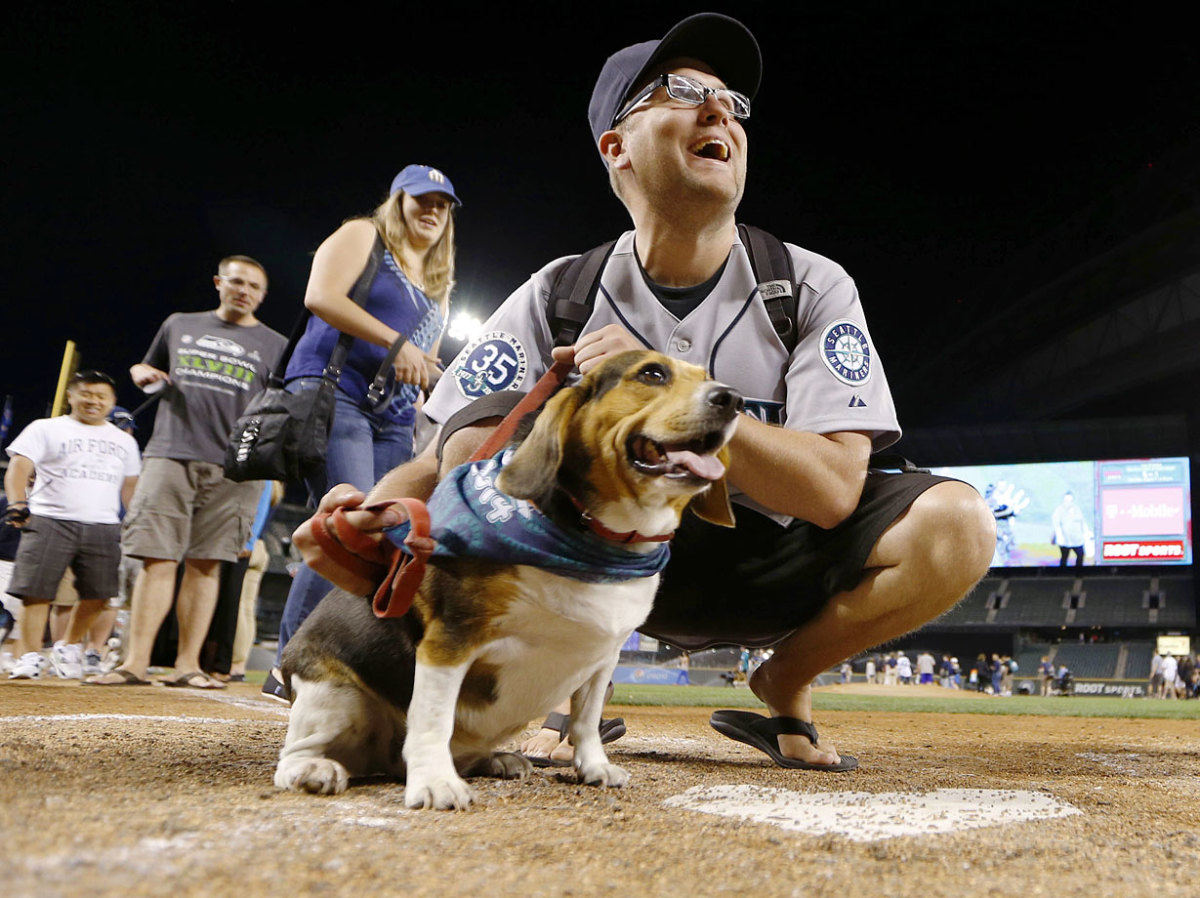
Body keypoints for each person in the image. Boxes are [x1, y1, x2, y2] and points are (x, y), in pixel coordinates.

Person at [295, 13, 994, 769]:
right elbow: (451, 461)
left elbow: (830, 490)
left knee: (959, 523)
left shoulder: (807, 282)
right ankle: (562, 692)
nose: (718, 107)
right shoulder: (561, 291)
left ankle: (785, 677)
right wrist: (374, 516)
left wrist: (664, 386)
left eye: (730, 99)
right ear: (616, 145)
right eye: (682, 90)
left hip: (784, 560)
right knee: (490, 455)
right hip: (602, 563)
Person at [262, 166, 461, 701]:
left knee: (383, 535)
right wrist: (401, 345)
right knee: (347, 524)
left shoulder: (438, 288)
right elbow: (320, 296)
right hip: (336, 394)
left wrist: (436, 380)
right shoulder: (364, 235)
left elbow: (418, 361)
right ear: (397, 201)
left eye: (443, 204)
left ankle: (342, 659)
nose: (433, 211)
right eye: (422, 199)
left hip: (393, 416)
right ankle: (293, 668)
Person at [87, 256, 286, 688]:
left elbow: (281, 409)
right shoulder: (179, 323)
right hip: (169, 453)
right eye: (236, 282)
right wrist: (141, 372)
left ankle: (188, 666)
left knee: (206, 564)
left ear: (262, 295)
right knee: (156, 559)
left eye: (253, 286)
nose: (244, 291)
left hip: (236, 465)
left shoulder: (277, 345)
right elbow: (147, 365)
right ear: (218, 282)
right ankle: (133, 663)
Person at [4, 371, 140, 679]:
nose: (93, 401)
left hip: (104, 524)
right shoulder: (45, 428)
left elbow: (131, 486)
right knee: (35, 591)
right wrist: (17, 502)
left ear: (112, 401)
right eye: (86, 394)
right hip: (50, 518)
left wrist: (134, 519)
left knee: (101, 595)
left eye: (101, 396)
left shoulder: (124, 441)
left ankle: (68, 645)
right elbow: (20, 466)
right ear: (71, 396)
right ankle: (29, 655)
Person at [1051, 491, 1089, 567]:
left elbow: (1082, 522)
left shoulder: (1077, 509)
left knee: (1080, 554)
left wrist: (1086, 532)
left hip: (1077, 540)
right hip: (1065, 540)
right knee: (1064, 557)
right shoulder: (1059, 510)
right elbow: (1056, 524)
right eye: (1066, 500)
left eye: (1070, 500)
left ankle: (1078, 574)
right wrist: (1059, 536)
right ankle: (1063, 576)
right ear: (1063, 500)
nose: (1068, 502)